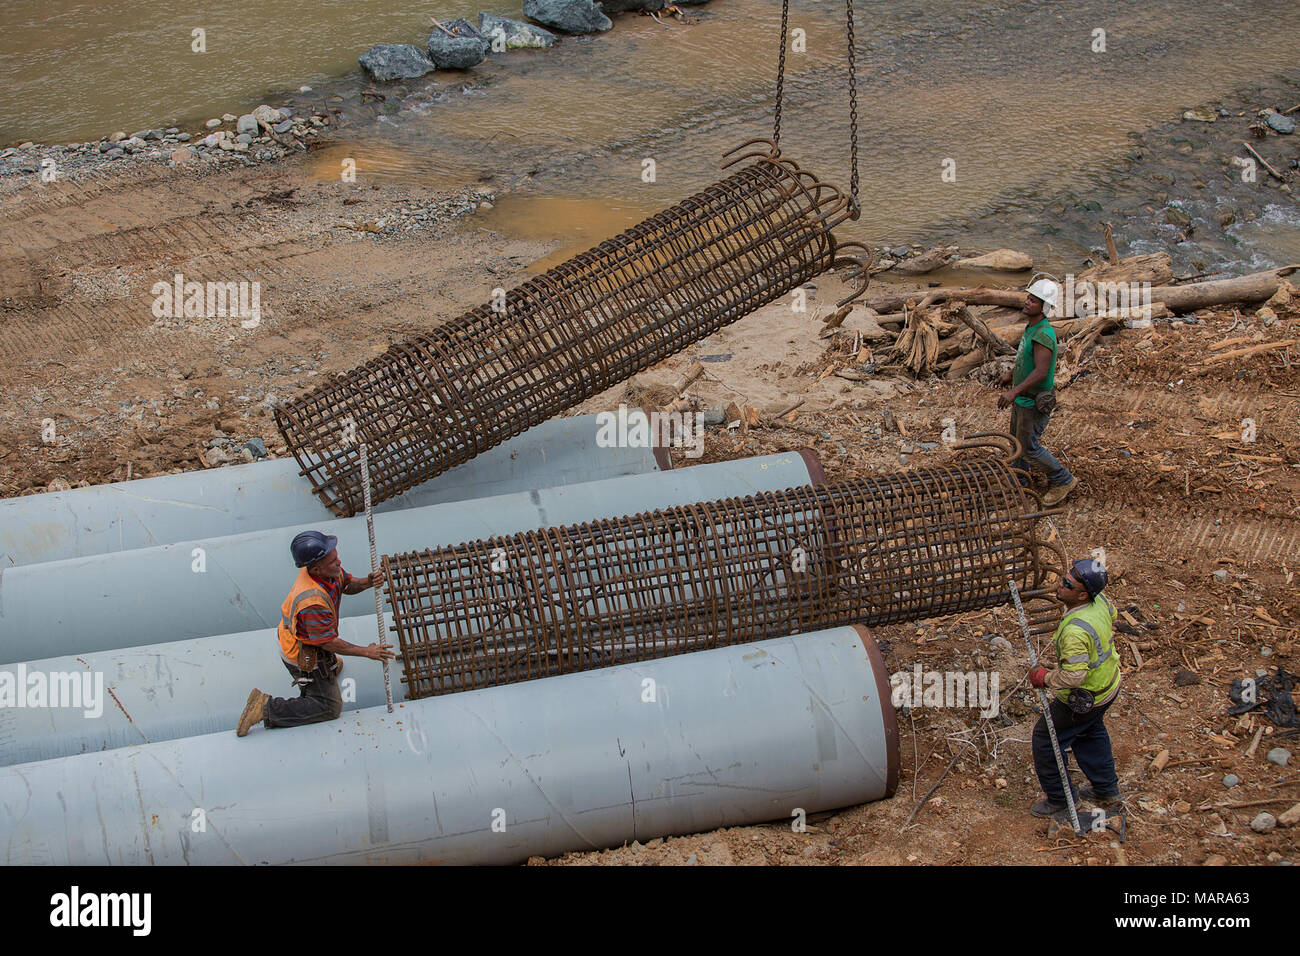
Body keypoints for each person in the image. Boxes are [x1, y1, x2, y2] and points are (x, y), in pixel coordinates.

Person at [236, 530, 394, 736]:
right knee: (328, 707)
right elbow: (327, 642)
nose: (339, 563)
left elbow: (345, 583)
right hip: (301, 649)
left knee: (329, 661)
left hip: (309, 636)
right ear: (316, 568)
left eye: (337, 558)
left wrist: (367, 581)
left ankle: (329, 667)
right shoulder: (311, 601)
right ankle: (266, 707)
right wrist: (366, 652)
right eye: (333, 561)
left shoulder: (326, 570)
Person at [1028, 557, 1122, 818]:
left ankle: (1060, 799)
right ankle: (1107, 790)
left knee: (1046, 739)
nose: (1059, 584)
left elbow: (1073, 677)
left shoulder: (1075, 631)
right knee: (1090, 733)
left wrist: (1045, 678)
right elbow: (1112, 616)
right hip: (1108, 686)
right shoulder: (1100, 601)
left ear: (1082, 595)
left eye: (1067, 584)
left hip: (1084, 696)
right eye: (1063, 579)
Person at [996, 278, 1077, 506]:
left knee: (1029, 448)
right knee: (1016, 443)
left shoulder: (1043, 334)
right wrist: (1011, 375)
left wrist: (1014, 392)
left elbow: (1041, 371)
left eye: (1034, 300)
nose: (1027, 302)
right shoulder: (1032, 327)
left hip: (1033, 401)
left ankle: (1063, 479)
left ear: (1045, 307)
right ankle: (1018, 483)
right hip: (1023, 397)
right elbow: (1026, 358)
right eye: (1028, 298)